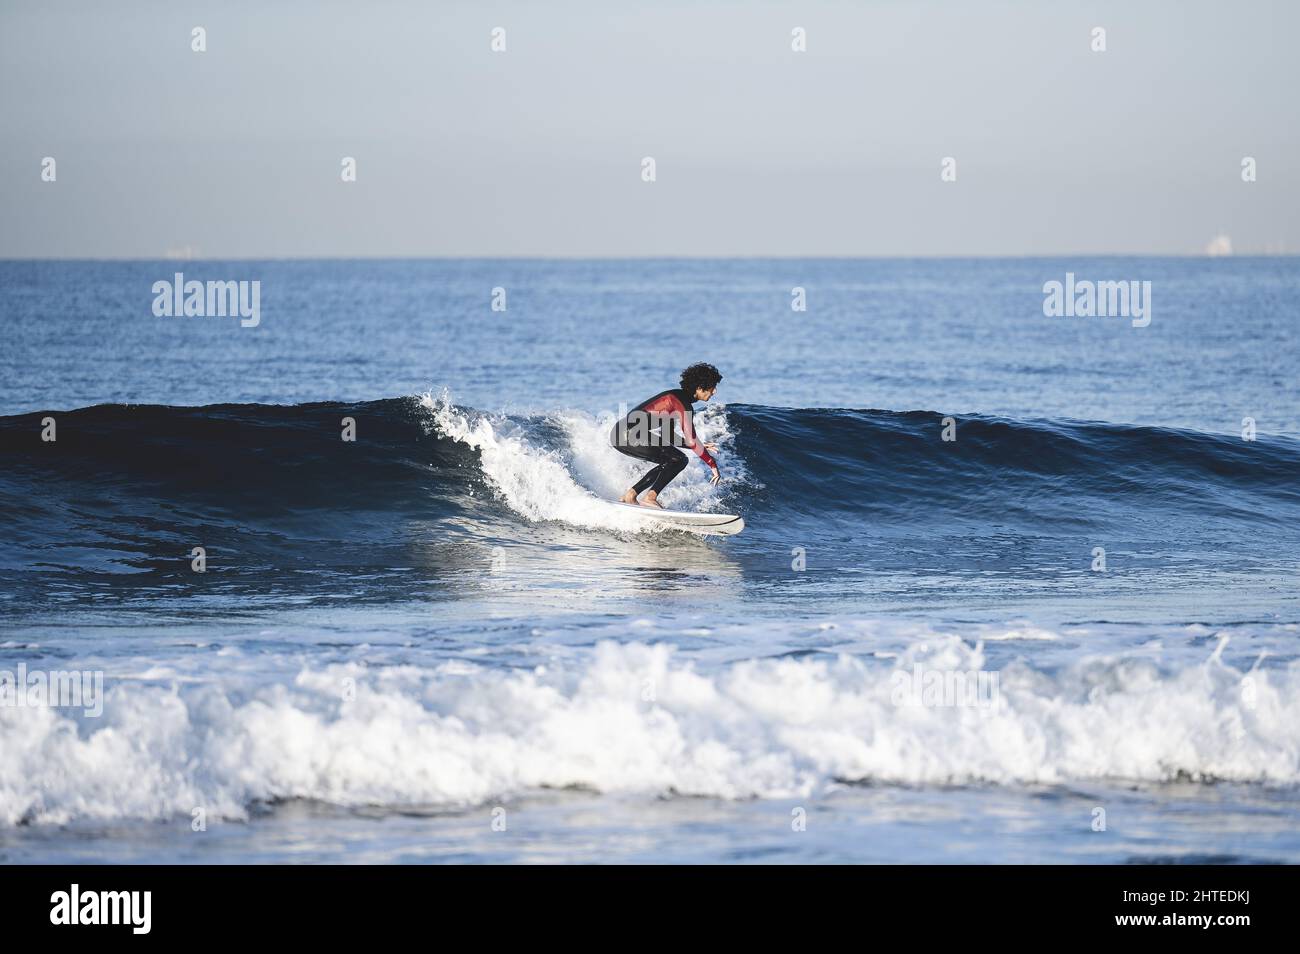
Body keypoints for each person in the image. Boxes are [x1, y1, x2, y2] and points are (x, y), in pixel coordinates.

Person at [610, 363, 723, 508]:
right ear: (700, 388)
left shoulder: (674, 398)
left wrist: (697, 444)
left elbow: (669, 436)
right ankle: (649, 498)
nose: (714, 391)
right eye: (712, 387)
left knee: (671, 460)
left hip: (620, 433)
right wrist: (712, 464)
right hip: (630, 434)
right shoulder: (681, 403)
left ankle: (631, 495)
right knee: (679, 459)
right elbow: (691, 439)